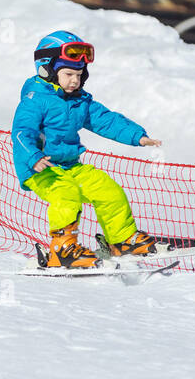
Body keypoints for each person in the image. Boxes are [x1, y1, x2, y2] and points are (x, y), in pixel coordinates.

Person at [11, 30, 163, 269]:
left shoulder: (79, 100)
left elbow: (106, 120)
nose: (75, 80)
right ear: (47, 70)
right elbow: (21, 132)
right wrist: (33, 156)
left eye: (79, 75)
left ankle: (122, 241)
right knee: (66, 195)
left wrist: (137, 136)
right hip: (41, 169)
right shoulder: (34, 99)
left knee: (108, 190)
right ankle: (62, 249)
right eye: (69, 74)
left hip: (71, 166)